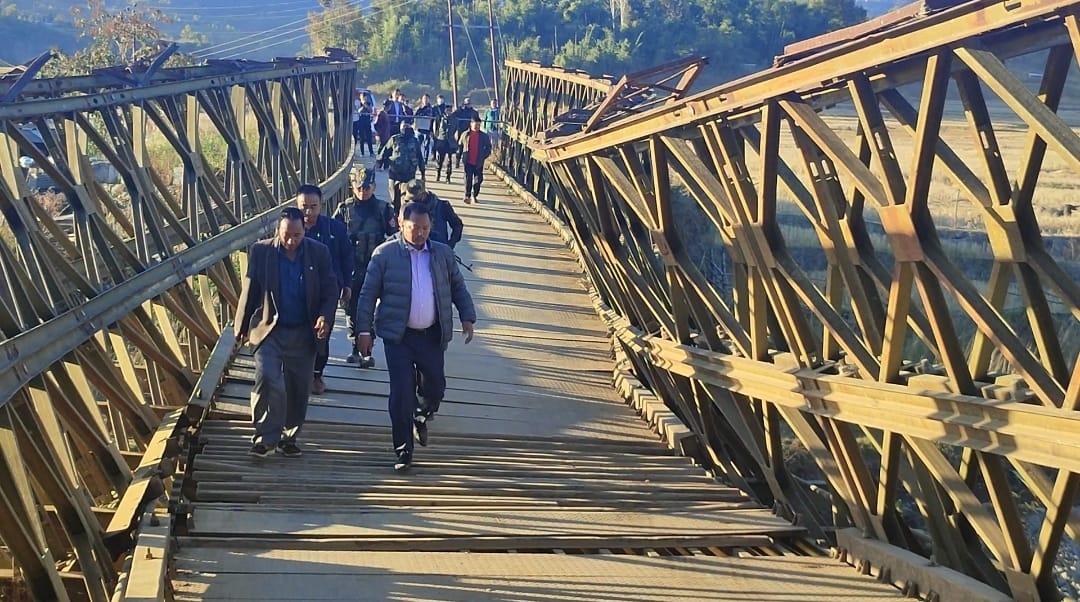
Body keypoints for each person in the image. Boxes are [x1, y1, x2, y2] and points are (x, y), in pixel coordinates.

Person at [355, 201, 476, 471]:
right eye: (414, 227)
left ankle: (422, 414)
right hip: (398, 335)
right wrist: (364, 330)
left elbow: (458, 287)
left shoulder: (442, 254)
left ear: (431, 226)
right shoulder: (384, 255)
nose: (420, 233)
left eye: (424, 227)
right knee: (401, 392)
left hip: (432, 334)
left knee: (436, 387)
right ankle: (403, 450)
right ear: (401, 223)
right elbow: (367, 294)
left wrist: (467, 316)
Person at [234, 206, 338, 458]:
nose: (291, 241)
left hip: (304, 331)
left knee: (298, 388)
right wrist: (241, 326)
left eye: (297, 235)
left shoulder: (318, 253)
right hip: (269, 329)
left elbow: (330, 289)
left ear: (305, 230)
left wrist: (324, 316)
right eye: (286, 235)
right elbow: (250, 290)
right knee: (268, 379)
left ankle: (289, 436)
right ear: (277, 230)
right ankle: (264, 436)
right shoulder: (262, 251)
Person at [334, 167, 397, 367]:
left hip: (375, 267)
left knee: (372, 308)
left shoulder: (384, 209)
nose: (363, 191)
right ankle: (354, 347)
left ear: (374, 187)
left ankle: (367, 350)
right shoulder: (344, 209)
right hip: (351, 266)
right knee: (351, 307)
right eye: (359, 187)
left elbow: (396, 234)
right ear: (353, 186)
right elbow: (334, 235)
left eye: (367, 188)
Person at [296, 184, 351, 395]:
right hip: (296, 289)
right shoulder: (290, 227)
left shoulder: (334, 228)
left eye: (313, 206)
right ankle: (296, 373)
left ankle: (317, 374)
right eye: (303, 207)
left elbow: (347, 256)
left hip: (326, 289)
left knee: (321, 334)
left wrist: (347, 283)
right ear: (296, 204)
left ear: (321, 205)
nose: (308, 212)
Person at [377, 120, 425, 214]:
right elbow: (385, 151)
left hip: (409, 174)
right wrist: (379, 162)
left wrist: (423, 172)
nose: (405, 129)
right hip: (395, 172)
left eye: (407, 126)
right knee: (394, 196)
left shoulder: (414, 141)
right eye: (403, 127)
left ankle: (404, 213)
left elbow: (419, 157)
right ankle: (395, 211)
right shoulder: (394, 139)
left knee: (408, 197)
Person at [404, 178, 462, 248]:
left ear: (423, 195)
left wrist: (450, 244)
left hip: (438, 250)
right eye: (410, 199)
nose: (413, 202)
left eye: (415, 199)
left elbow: (457, 225)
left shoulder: (442, 206)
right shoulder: (407, 208)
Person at [456, 116, 492, 204]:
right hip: (468, 161)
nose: (477, 127)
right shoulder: (465, 135)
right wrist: (458, 158)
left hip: (478, 162)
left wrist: (483, 156)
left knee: (478, 180)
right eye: (475, 125)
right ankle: (467, 195)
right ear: (471, 124)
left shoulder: (484, 136)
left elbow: (488, 148)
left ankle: (474, 195)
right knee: (468, 180)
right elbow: (460, 147)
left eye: (479, 125)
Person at [432, 96, 457, 183]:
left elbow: (456, 130)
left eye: (450, 110)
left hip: (450, 142)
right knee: (440, 160)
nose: (448, 112)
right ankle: (438, 174)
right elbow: (435, 128)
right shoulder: (440, 118)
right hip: (441, 141)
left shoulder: (454, 119)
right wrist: (436, 137)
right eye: (447, 110)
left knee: (449, 161)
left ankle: (448, 177)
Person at [450, 98, 480, 169]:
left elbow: (478, 122)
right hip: (462, 131)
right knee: (460, 147)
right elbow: (453, 116)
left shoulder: (474, 112)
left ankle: (468, 162)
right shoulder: (460, 111)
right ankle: (457, 161)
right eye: (466, 104)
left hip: (471, 132)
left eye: (469, 104)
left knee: (470, 147)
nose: (468, 105)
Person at [414, 94, 436, 163]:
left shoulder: (431, 109)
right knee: (418, 145)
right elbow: (414, 116)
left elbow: (433, 119)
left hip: (427, 130)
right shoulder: (419, 108)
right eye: (424, 99)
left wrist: (432, 130)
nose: (425, 100)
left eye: (427, 99)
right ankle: (417, 159)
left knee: (426, 145)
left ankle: (425, 160)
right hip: (419, 129)